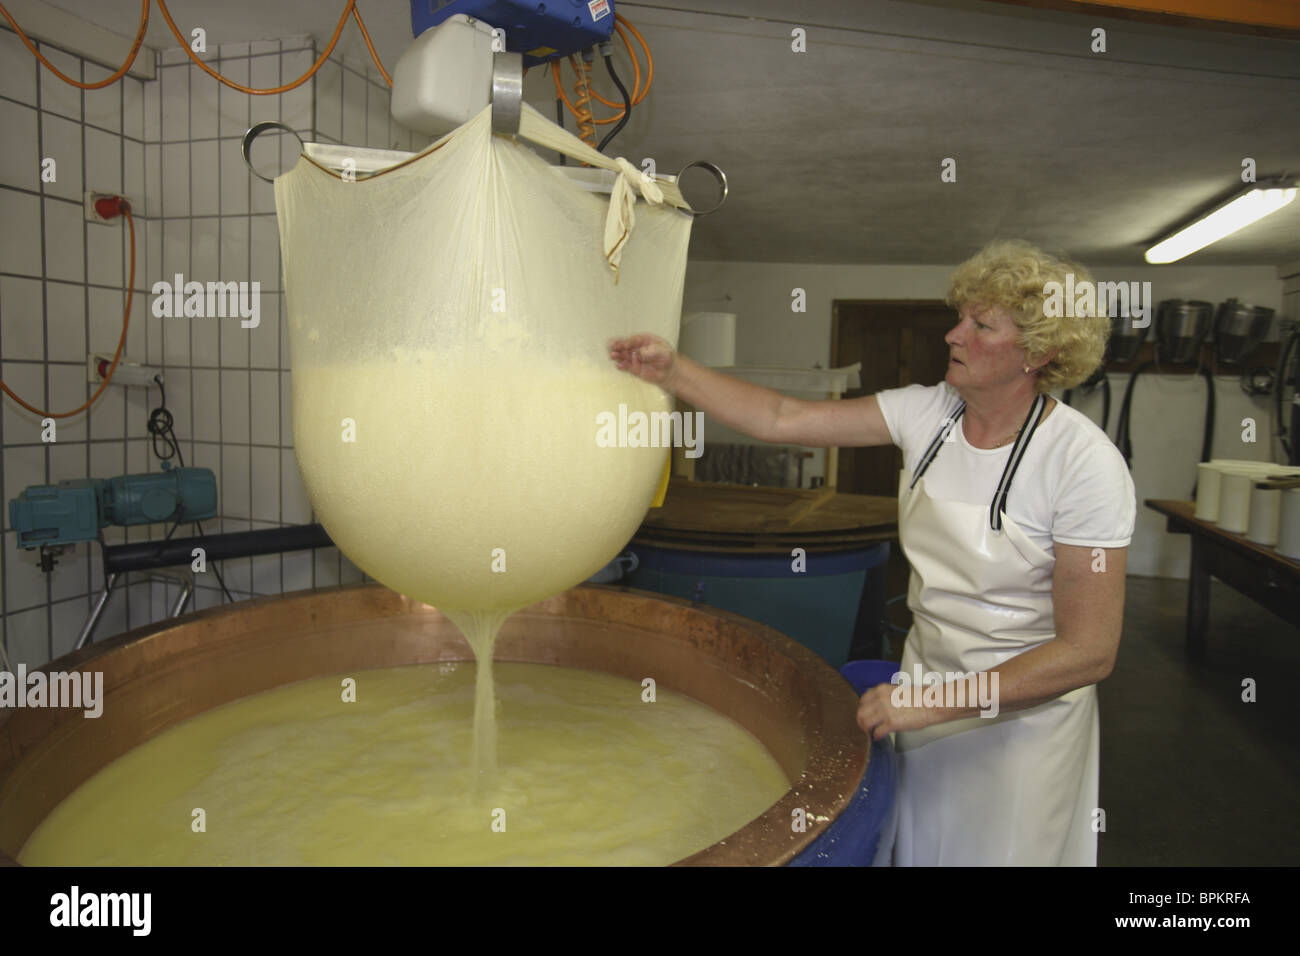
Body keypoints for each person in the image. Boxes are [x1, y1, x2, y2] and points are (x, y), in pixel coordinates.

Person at [608, 239, 1136, 865]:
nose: (953, 335)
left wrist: (936, 702)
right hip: (921, 686)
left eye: (981, 325)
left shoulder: (1084, 465)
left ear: (1038, 353)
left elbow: (1088, 651)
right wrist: (672, 372)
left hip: (1019, 723)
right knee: (917, 849)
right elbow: (782, 417)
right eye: (960, 316)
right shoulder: (928, 413)